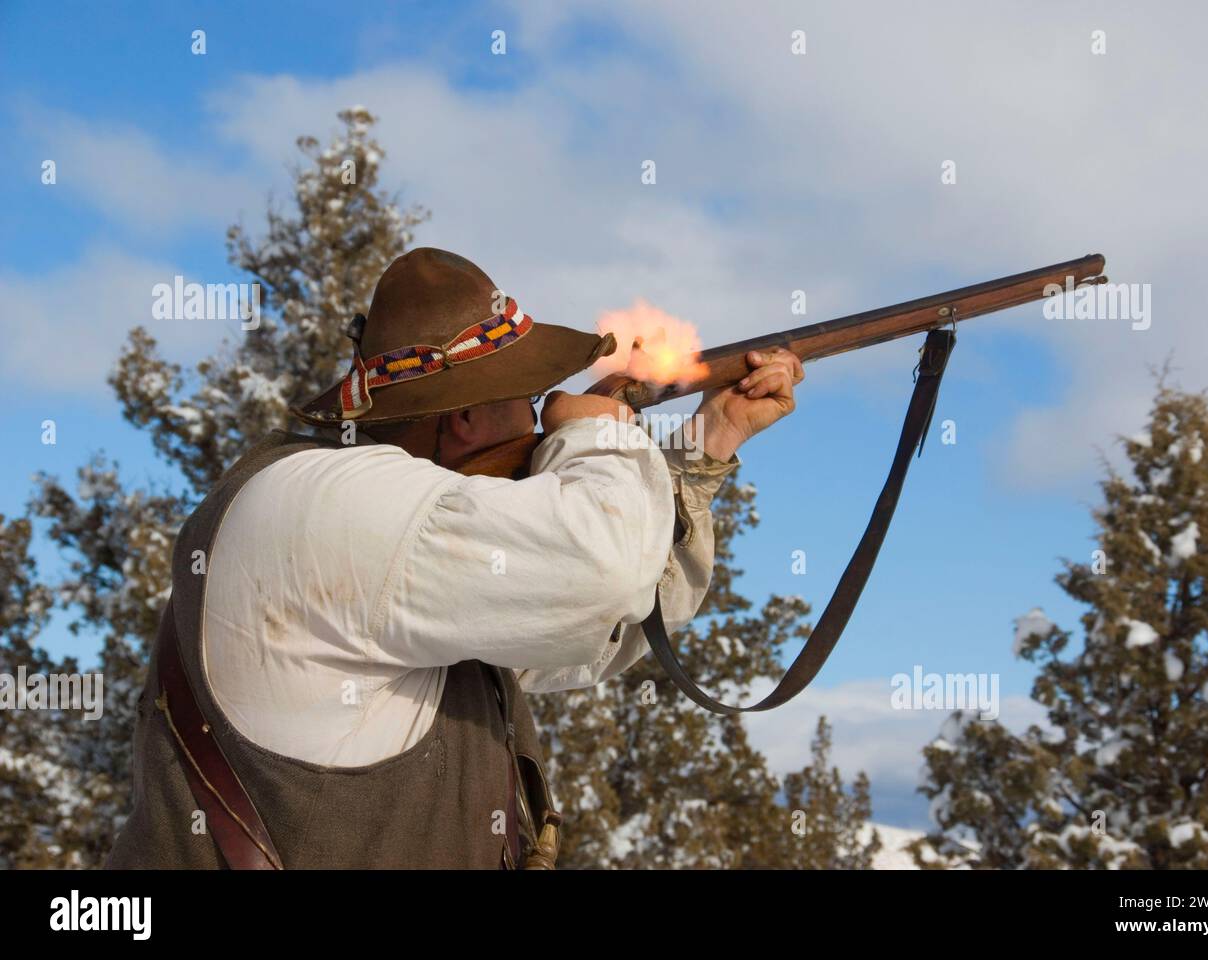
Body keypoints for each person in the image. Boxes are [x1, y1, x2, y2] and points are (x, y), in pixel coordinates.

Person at [107, 247, 803, 869]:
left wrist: (706, 443)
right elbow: (603, 569)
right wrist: (595, 435)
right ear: (466, 419)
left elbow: (607, 626)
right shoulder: (319, 503)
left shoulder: (405, 556)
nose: (538, 421)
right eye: (527, 401)